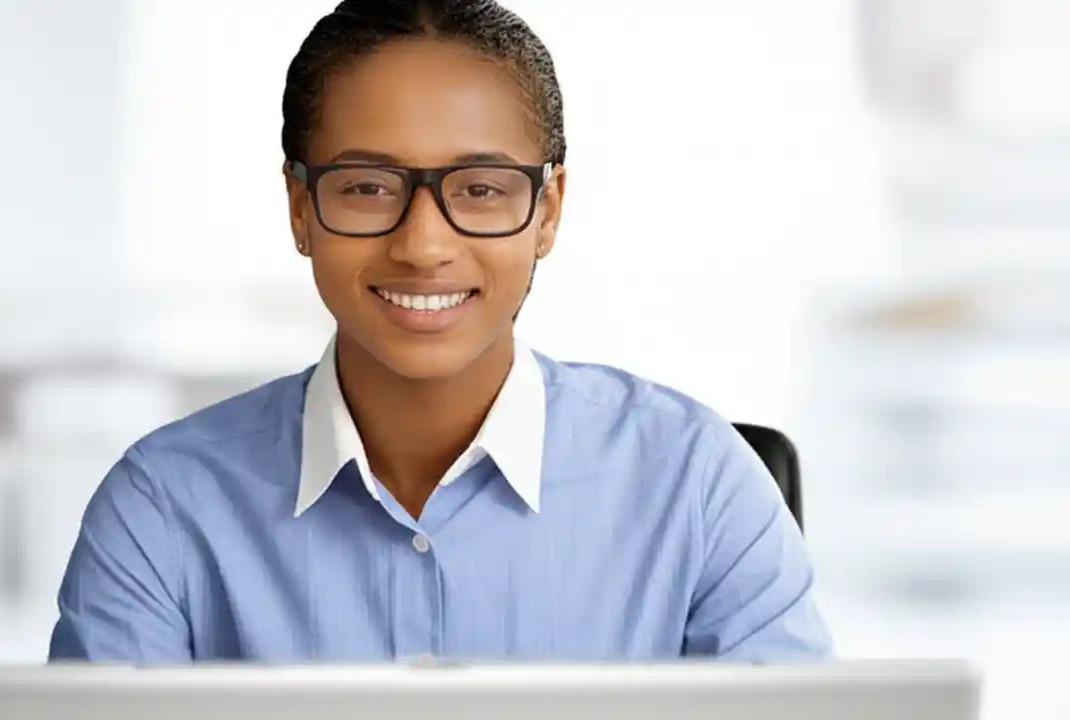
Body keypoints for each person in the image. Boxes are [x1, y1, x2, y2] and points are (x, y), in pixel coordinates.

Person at [48, 0, 831, 662]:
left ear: (548, 211)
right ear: (298, 208)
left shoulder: (698, 484)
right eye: (365, 186)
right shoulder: (162, 507)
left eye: (482, 188)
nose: (423, 246)